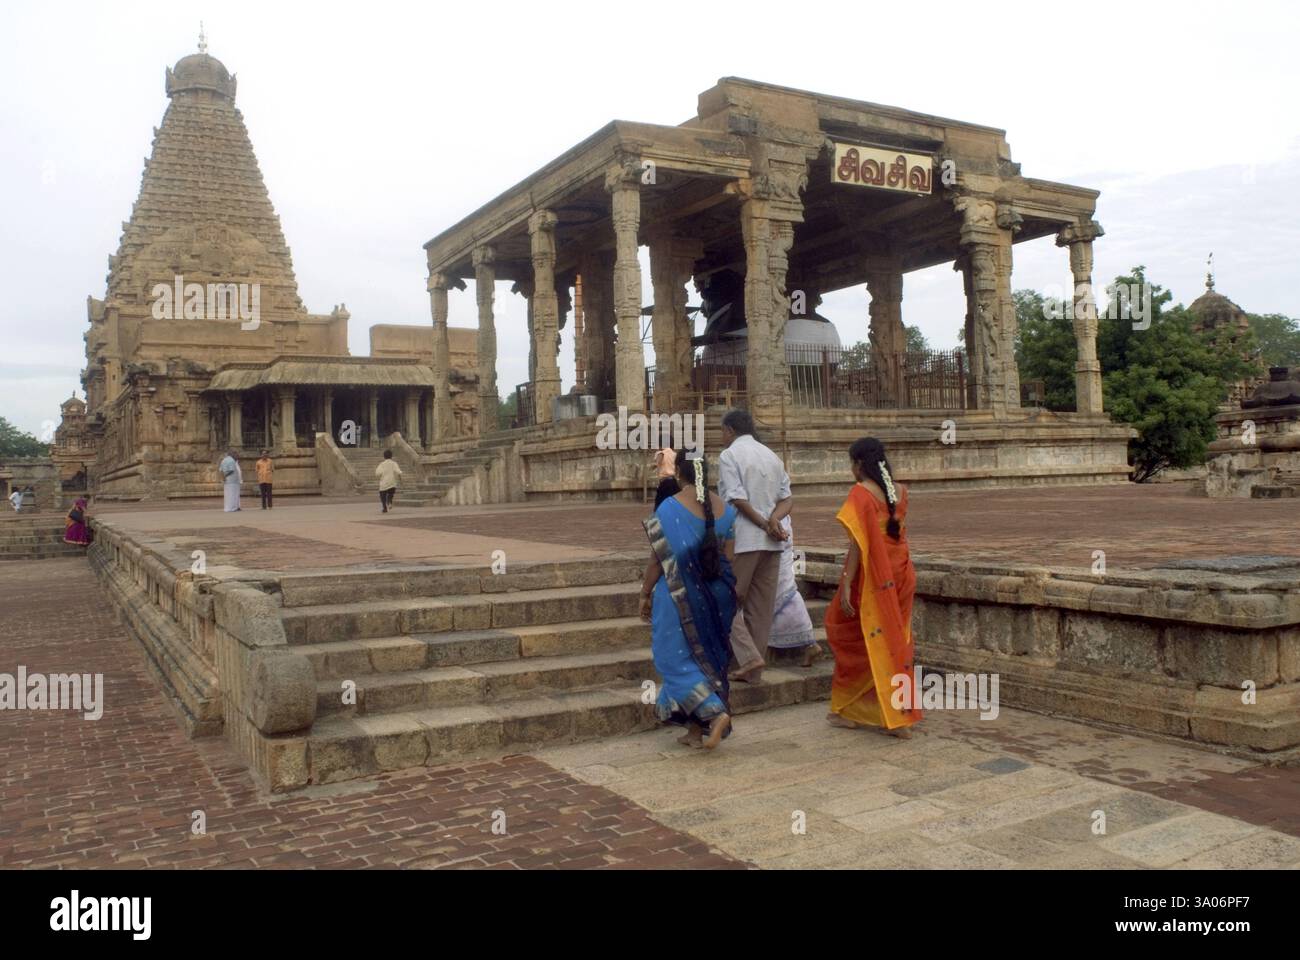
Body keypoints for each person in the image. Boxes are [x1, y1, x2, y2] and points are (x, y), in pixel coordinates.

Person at [639, 450, 737, 750]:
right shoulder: (727, 510)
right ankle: (695, 731)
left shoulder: (669, 507)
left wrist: (644, 594)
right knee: (705, 659)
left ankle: (714, 712)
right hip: (718, 595)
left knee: (672, 659)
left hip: (679, 596)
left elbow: (658, 560)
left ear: (679, 474)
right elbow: (729, 559)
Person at [824, 437, 920, 738]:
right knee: (894, 643)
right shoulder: (901, 491)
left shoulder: (860, 494)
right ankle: (889, 714)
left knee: (847, 632)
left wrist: (847, 580)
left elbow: (857, 545)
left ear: (858, 464)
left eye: (851, 463)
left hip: (873, 582)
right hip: (902, 576)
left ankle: (856, 710)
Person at [716, 408, 791, 683]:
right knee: (761, 606)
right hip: (771, 543)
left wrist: (763, 522)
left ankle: (749, 658)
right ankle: (754, 669)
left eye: (722, 431)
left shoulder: (729, 455)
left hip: (743, 538)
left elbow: (736, 498)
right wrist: (774, 519)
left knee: (725, 598)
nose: (721, 437)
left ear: (730, 431)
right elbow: (788, 499)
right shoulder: (771, 456)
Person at [768, 516, 822, 667]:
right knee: (784, 588)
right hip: (772, 527)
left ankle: (809, 643)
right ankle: (809, 643)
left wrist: (772, 518)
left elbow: (786, 501)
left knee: (784, 589)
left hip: (775, 530)